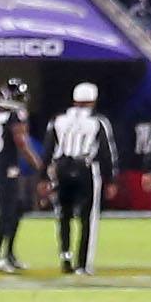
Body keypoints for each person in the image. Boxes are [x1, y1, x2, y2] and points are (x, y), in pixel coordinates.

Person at [45, 80, 110, 276]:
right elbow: (106, 151)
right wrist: (111, 177)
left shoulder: (58, 119)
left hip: (62, 167)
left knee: (63, 215)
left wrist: (43, 176)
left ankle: (65, 257)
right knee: (87, 218)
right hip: (85, 168)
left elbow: (48, 149)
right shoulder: (98, 121)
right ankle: (82, 264)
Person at [0, 78, 37, 274]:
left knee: (16, 208)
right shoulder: (14, 115)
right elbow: (22, 143)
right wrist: (40, 167)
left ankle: (8, 254)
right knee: (7, 213)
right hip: (6, 167)